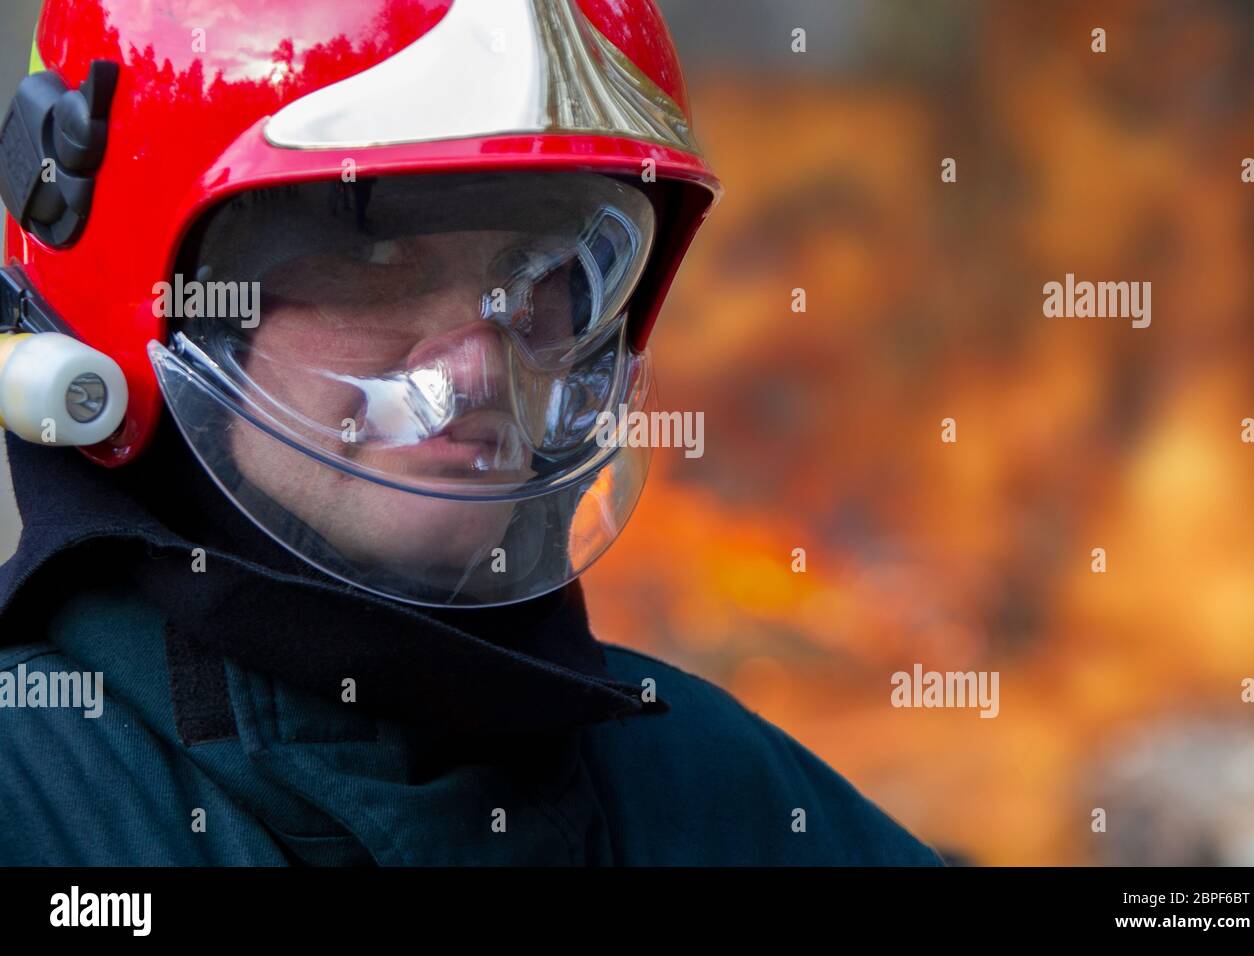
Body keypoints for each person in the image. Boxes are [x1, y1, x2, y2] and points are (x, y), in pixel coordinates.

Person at [0, 0, 940, 866]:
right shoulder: (35, 804)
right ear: (142, 302)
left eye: (542, 280)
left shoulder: (718, 792)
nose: (483, 369)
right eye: (373, 256)